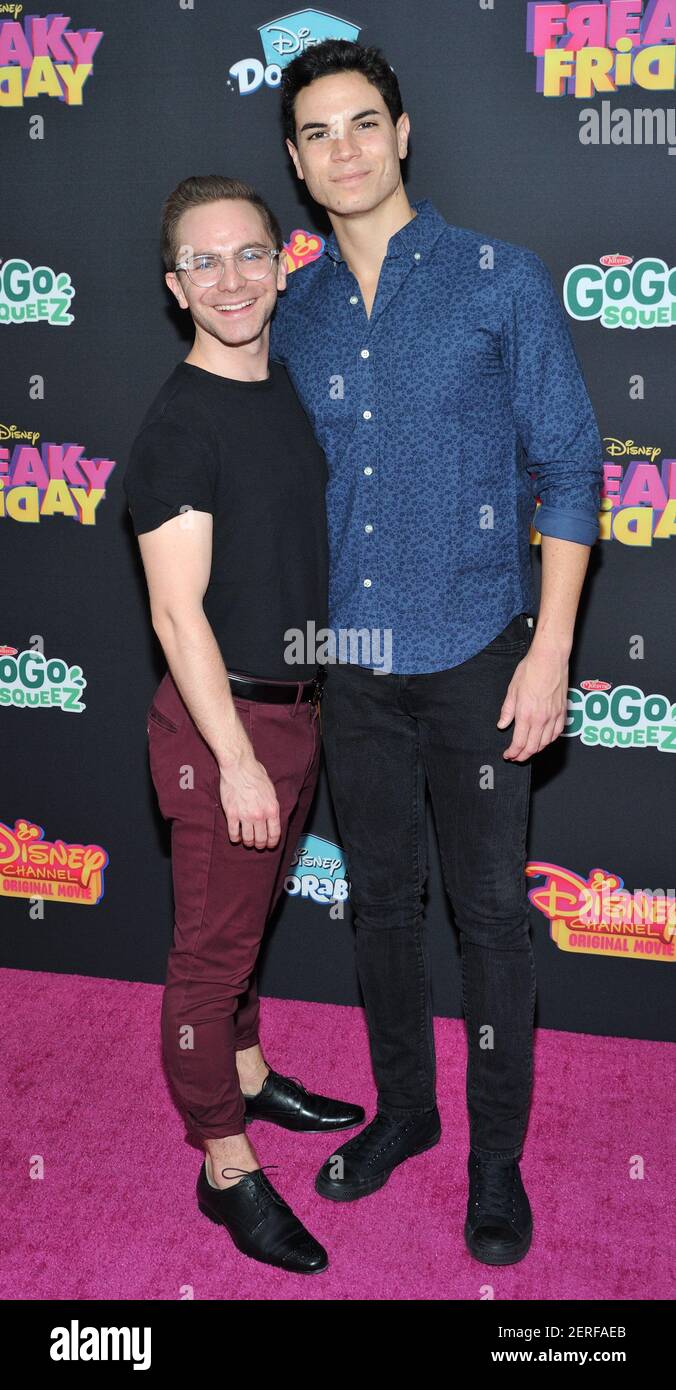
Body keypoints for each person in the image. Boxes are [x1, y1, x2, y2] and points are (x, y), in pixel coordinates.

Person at [269, 41, 604, 1266]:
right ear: (296, 162)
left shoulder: (494, 280)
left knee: (491, 920)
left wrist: (551, 649)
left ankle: (496, 1163)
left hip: (477, 651)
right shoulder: (289, 313)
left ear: (402, 134)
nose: (344, 149)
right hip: (349, 663)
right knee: (379, 909)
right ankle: (405, 1111)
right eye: (317, 132)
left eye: (364, 123)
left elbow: (570, 468)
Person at [123, 174, 365, 1276]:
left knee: (249, 927)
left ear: (282, 264)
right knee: (208, 960)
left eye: (248, 255)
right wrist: (234, 760)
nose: (230, 278)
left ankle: (253, 1077)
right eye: (203, 261)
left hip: (295, 712)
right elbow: (176, 612)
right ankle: (224, 1167)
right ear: (177, 286)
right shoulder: (180, 422)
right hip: (229, 729)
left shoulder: (284, 390)